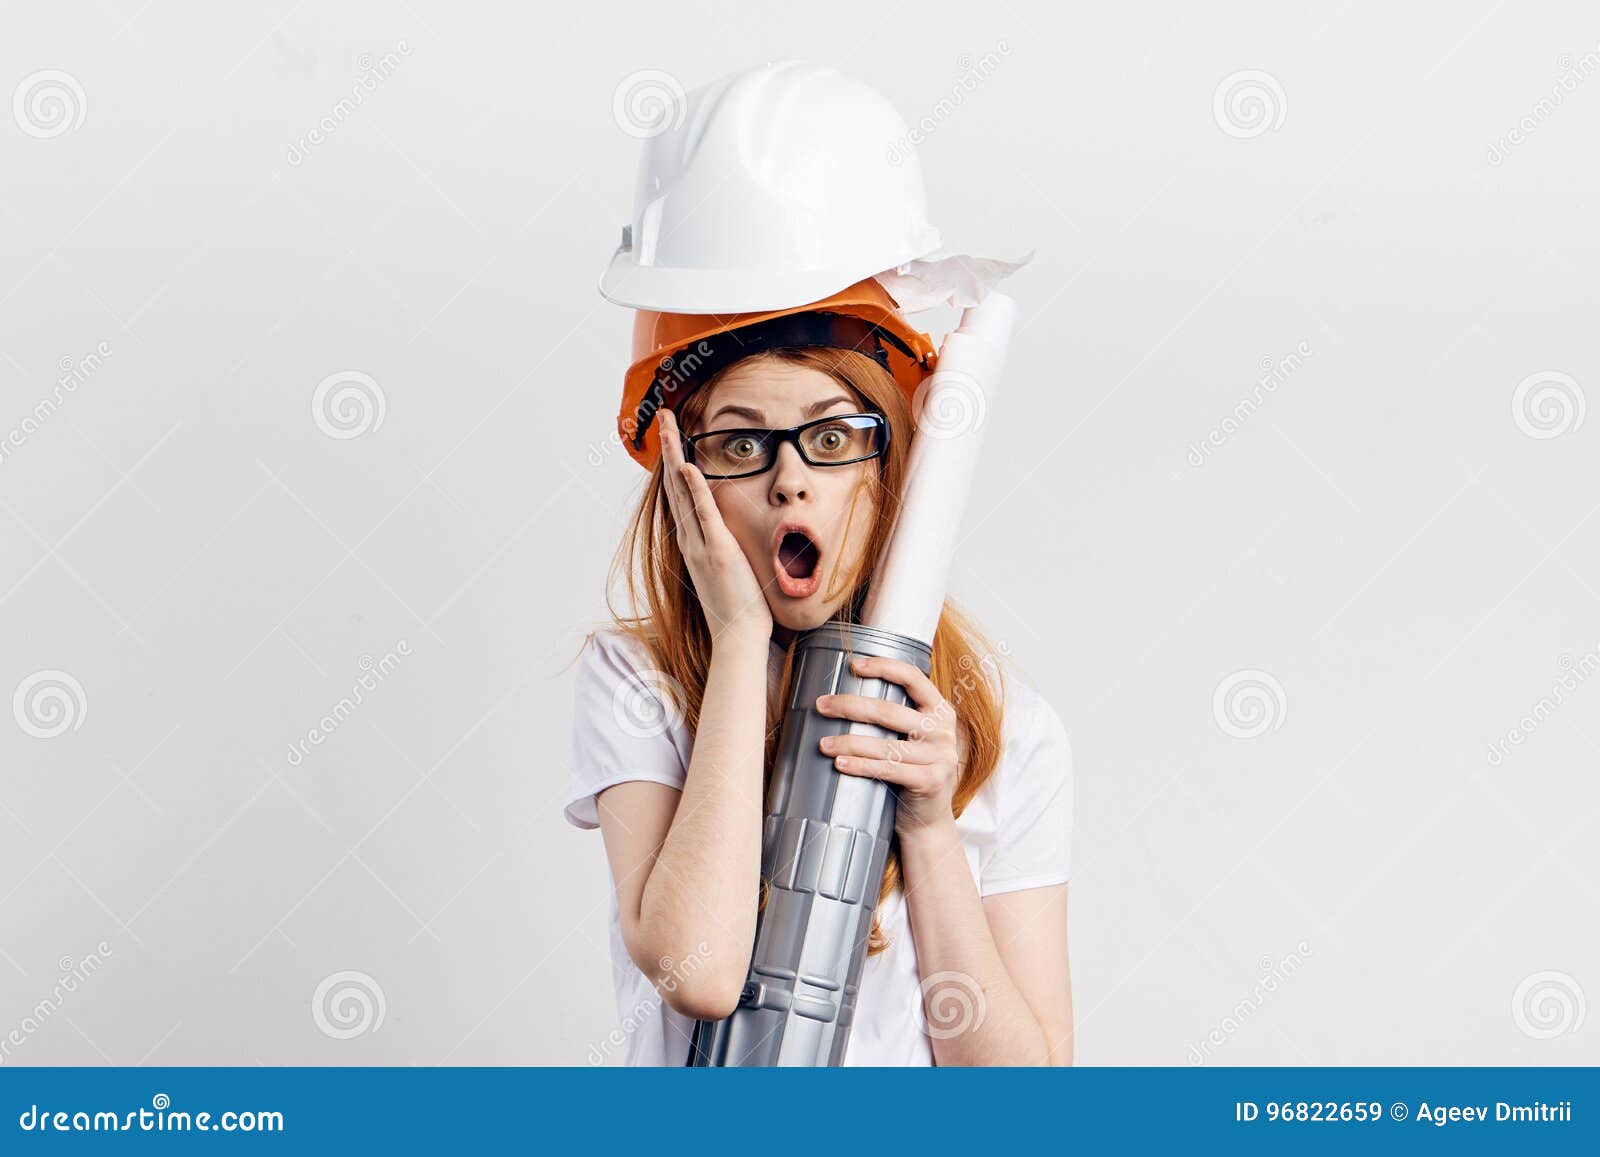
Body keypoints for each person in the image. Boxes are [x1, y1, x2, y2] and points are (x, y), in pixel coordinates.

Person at [562, 306, 1075, 1065]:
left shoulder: (1009, 726)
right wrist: (739, 641)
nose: (790, 483)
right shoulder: (640, 683)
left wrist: (929, 829)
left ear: (887, 465)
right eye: (740, 444)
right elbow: (698, 971)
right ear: (686, 478)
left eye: (832, 438)